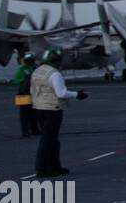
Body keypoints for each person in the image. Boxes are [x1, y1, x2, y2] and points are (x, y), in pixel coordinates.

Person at [30, 49, 88, 177]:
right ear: (57, 61)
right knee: (49, 140)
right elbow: (61, 93)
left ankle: (54, 166)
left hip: (38, 108)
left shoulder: (37, 71)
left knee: (51, 140)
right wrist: (78, 94)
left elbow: (31, 90)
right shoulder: (54, 74)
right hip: (52, 109)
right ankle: (43, 169)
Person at [13, 52, 40, 138]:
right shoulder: (28, 69)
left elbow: (16, 80)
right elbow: (16, 80)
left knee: (31, 113)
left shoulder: (24, 69)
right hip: (25, 93)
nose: (30, 62)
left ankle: (31, 130)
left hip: (26, 93)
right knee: (27, 114)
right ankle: (28, 131)